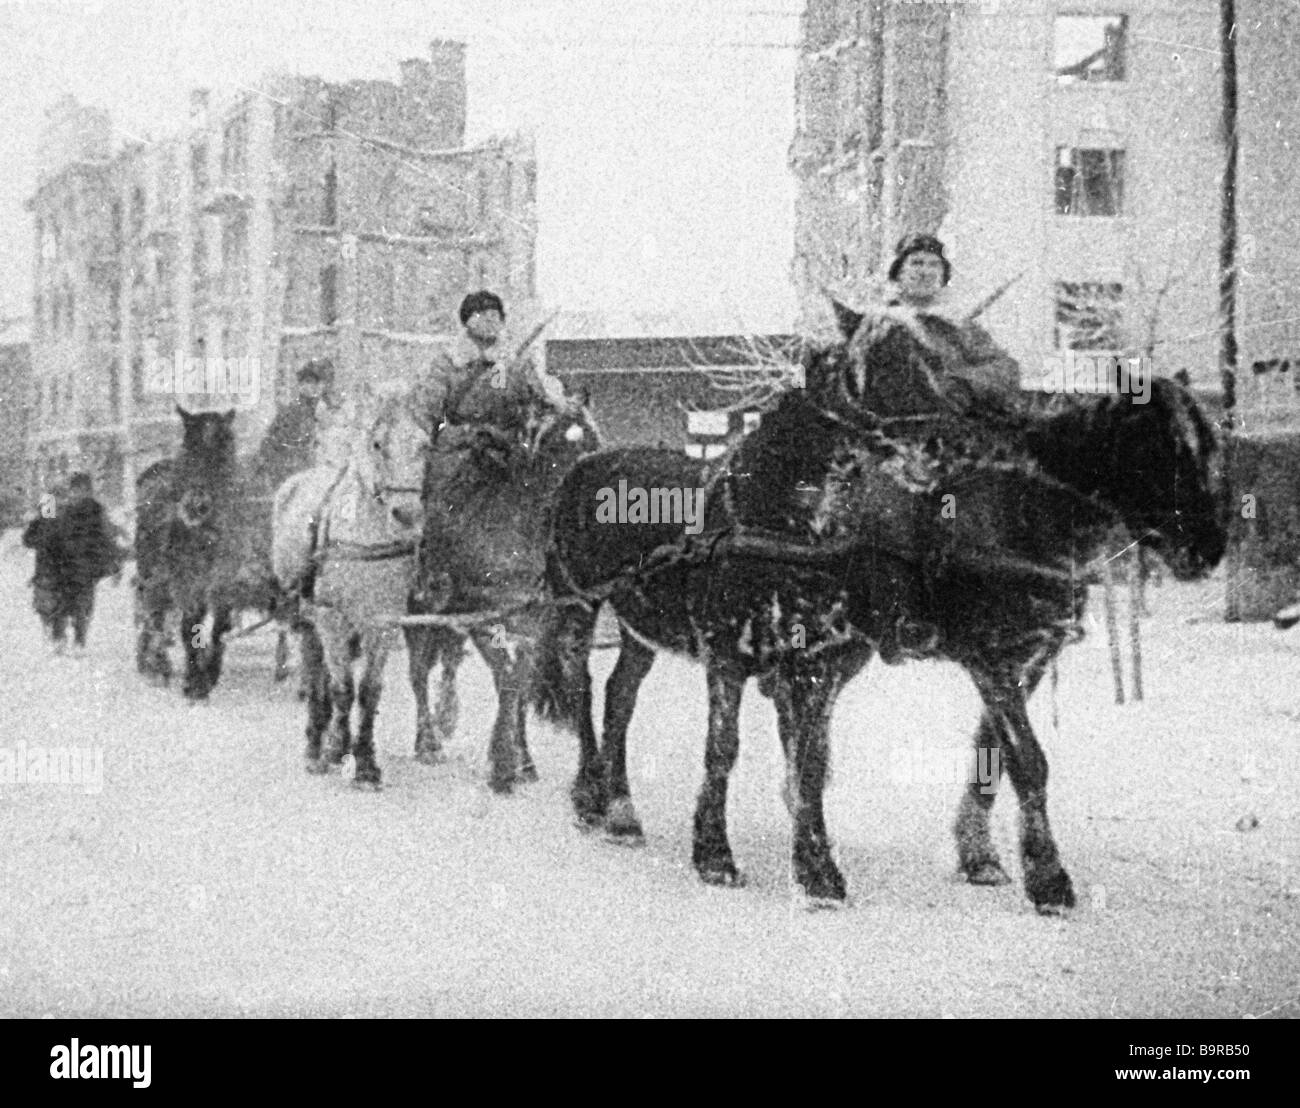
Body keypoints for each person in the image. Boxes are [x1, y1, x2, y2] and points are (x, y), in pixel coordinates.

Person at [845, 233, 1024, 421]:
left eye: (934, 264)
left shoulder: (959, 326)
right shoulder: (877, 321)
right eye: (916, 263)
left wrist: (960, 380)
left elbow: (1006, 370)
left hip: (949, 426)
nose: (925, 272)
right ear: (898, 272)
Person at [411, 289, 569, 478]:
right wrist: (459, 435)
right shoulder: (448, 363)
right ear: (467, 321)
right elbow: (428, 413)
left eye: (495, 315)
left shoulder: (517, 363)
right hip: (460, 453)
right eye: (481, 314)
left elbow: (540, 400)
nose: (489, 320)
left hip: (509, 450)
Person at [22, 472, 125, 654]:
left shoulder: (87, 508)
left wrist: (113, 561)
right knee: (72, 604)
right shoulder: (59, 505)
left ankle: (70, 639)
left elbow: (104, 536)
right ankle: (67, 638)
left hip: (74, 565)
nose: (74, 494)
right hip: (68, 565)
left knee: (75, 604)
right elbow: (40, 535)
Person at [252, 357, 334, 489]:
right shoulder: (291, 410)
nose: (312, 387)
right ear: (300, 385)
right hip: (295, 468)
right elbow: (272, 439)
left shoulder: (326, 408)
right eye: (308, 382)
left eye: (316, 383)